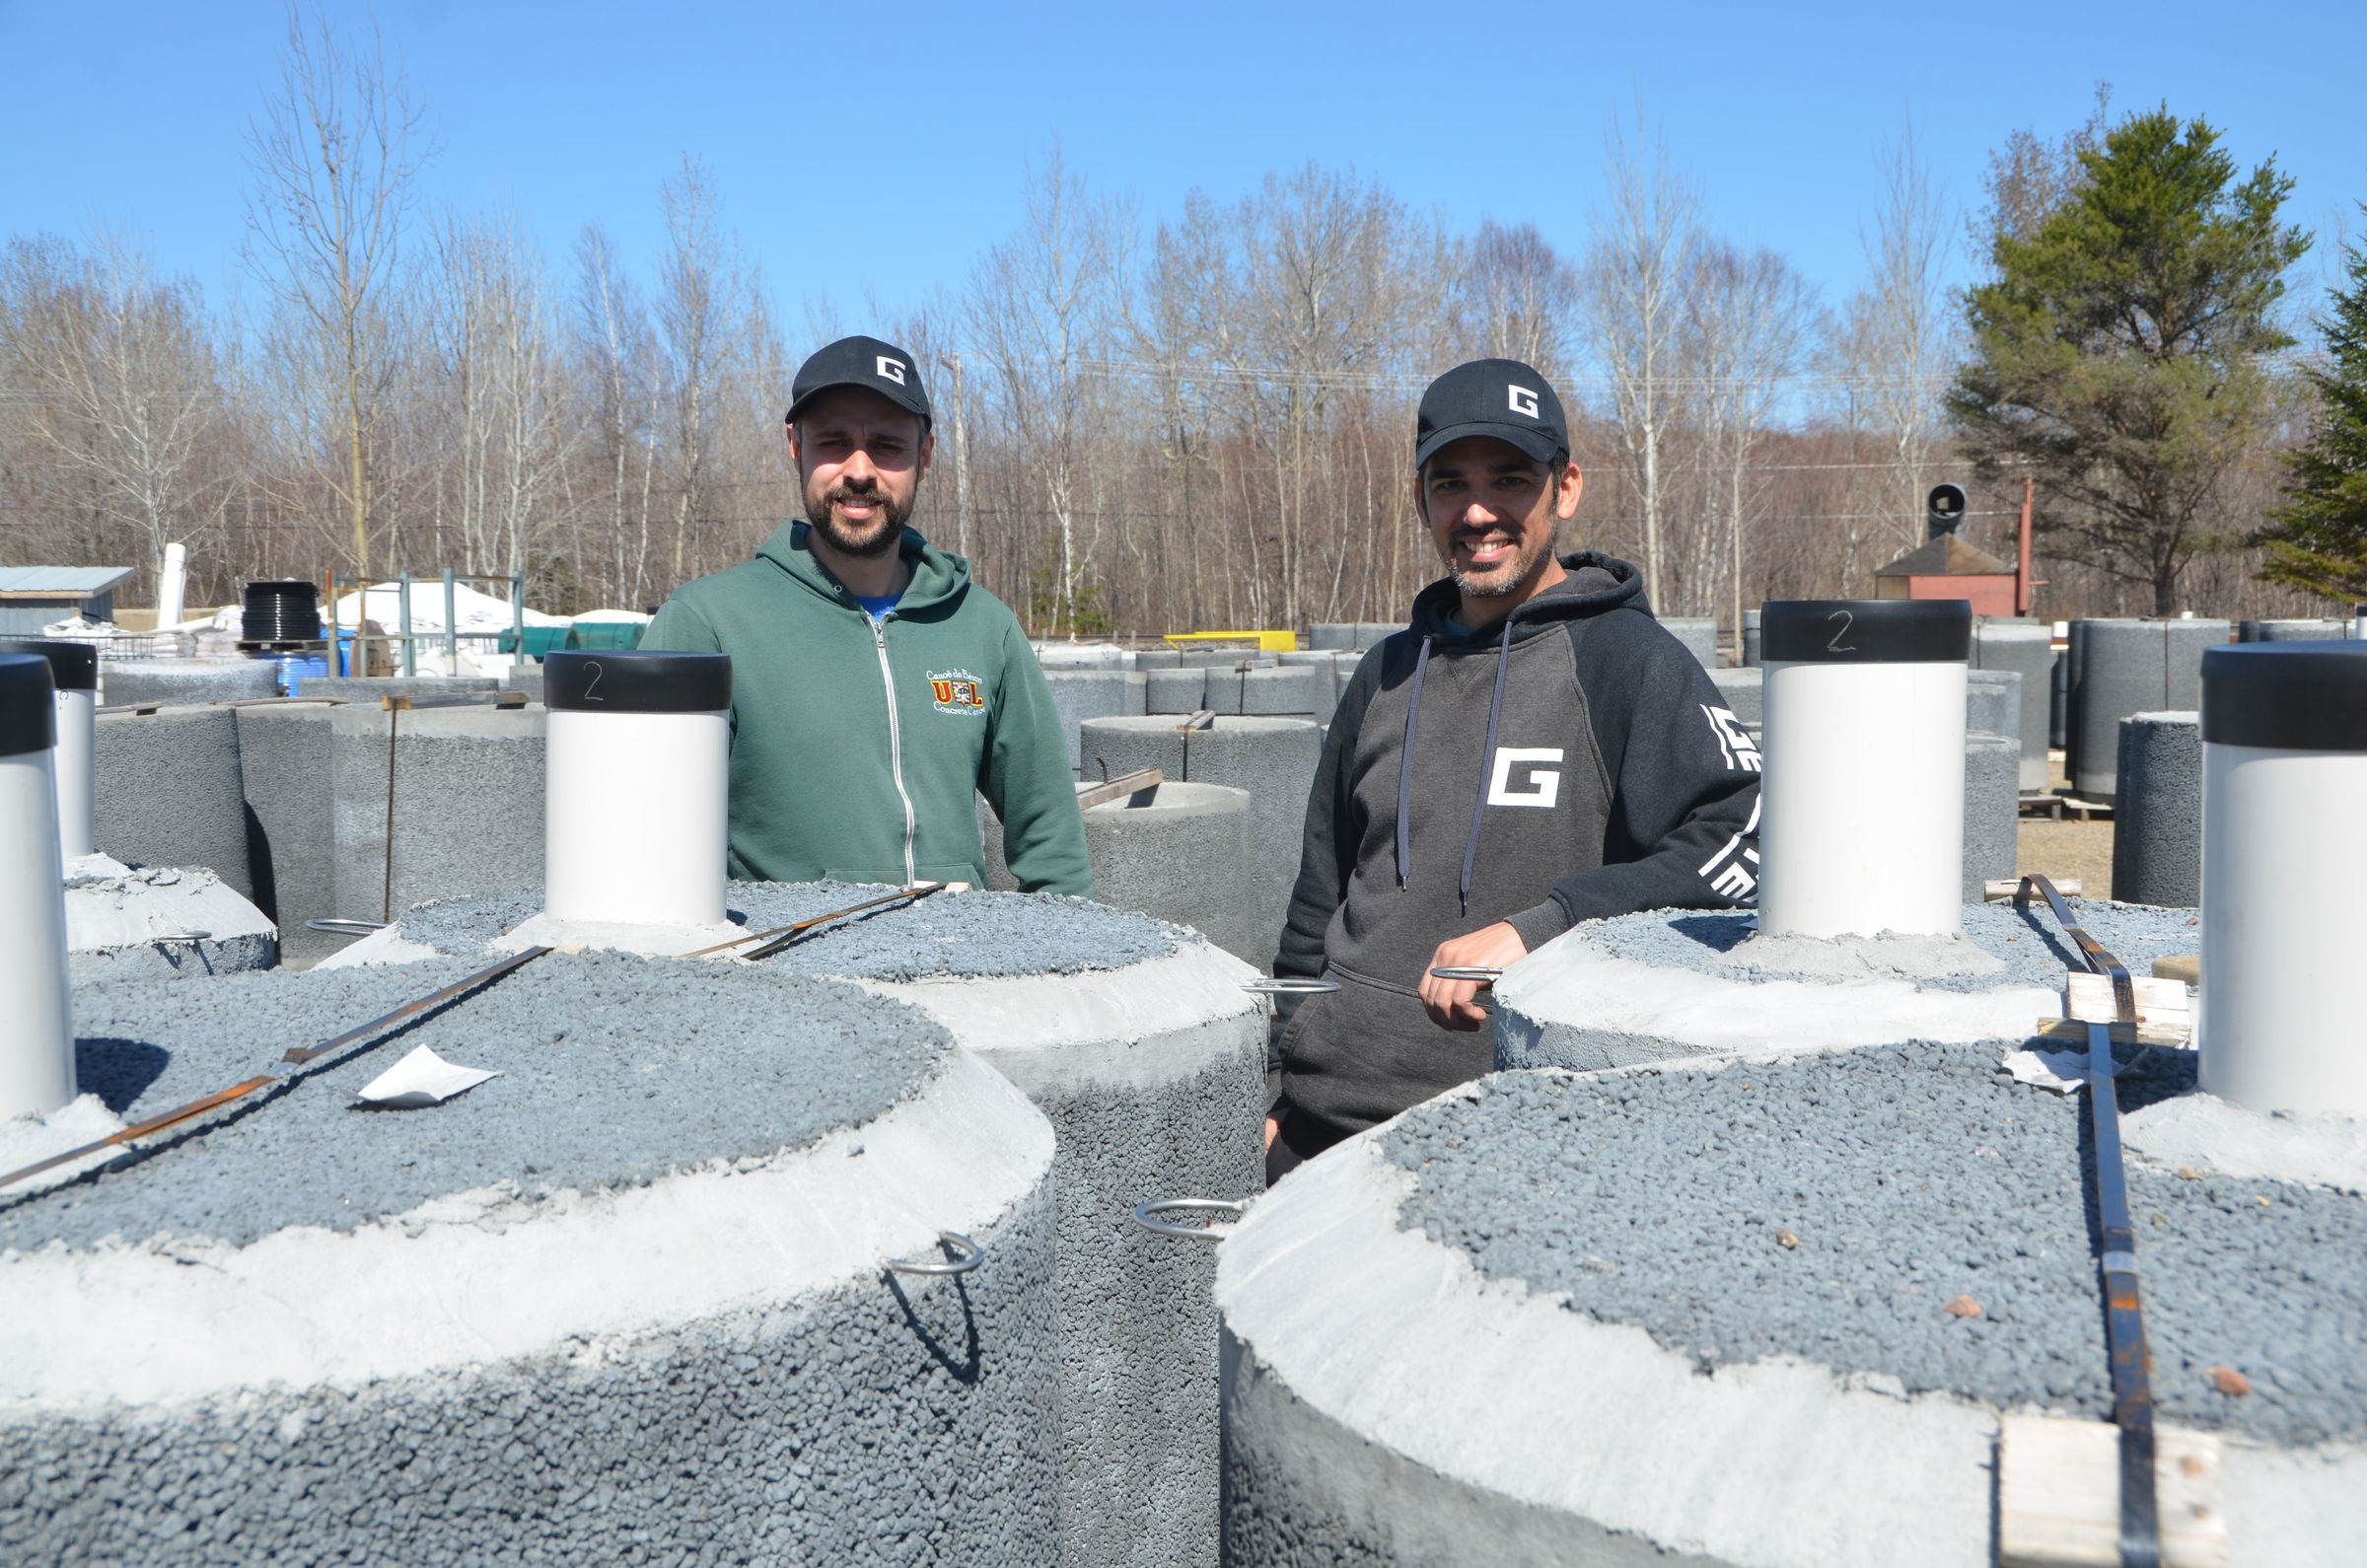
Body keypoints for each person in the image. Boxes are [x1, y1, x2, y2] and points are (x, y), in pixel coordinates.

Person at [1264, 357, 1761, 1180]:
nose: (1480, 511)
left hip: (1513, 1143)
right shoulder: (1385, 673)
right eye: (1450, 482)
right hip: (1320, 1135)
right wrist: (1277, 1086)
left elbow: (1742, 842)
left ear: (1564, 489)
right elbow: (1319, 896)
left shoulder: (1627, 662)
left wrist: (1546, 927)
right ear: (1418, 498)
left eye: (1510, 479)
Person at [644, 334, 1092, 895]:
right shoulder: (705, 625)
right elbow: (650, 850)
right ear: (794, 445)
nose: (859, 471)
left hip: (960, 970)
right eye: (834, 442)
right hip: (783, 971)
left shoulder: (984, 628)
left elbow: (1051, 839)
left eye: (887, 446)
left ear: (925, 455)